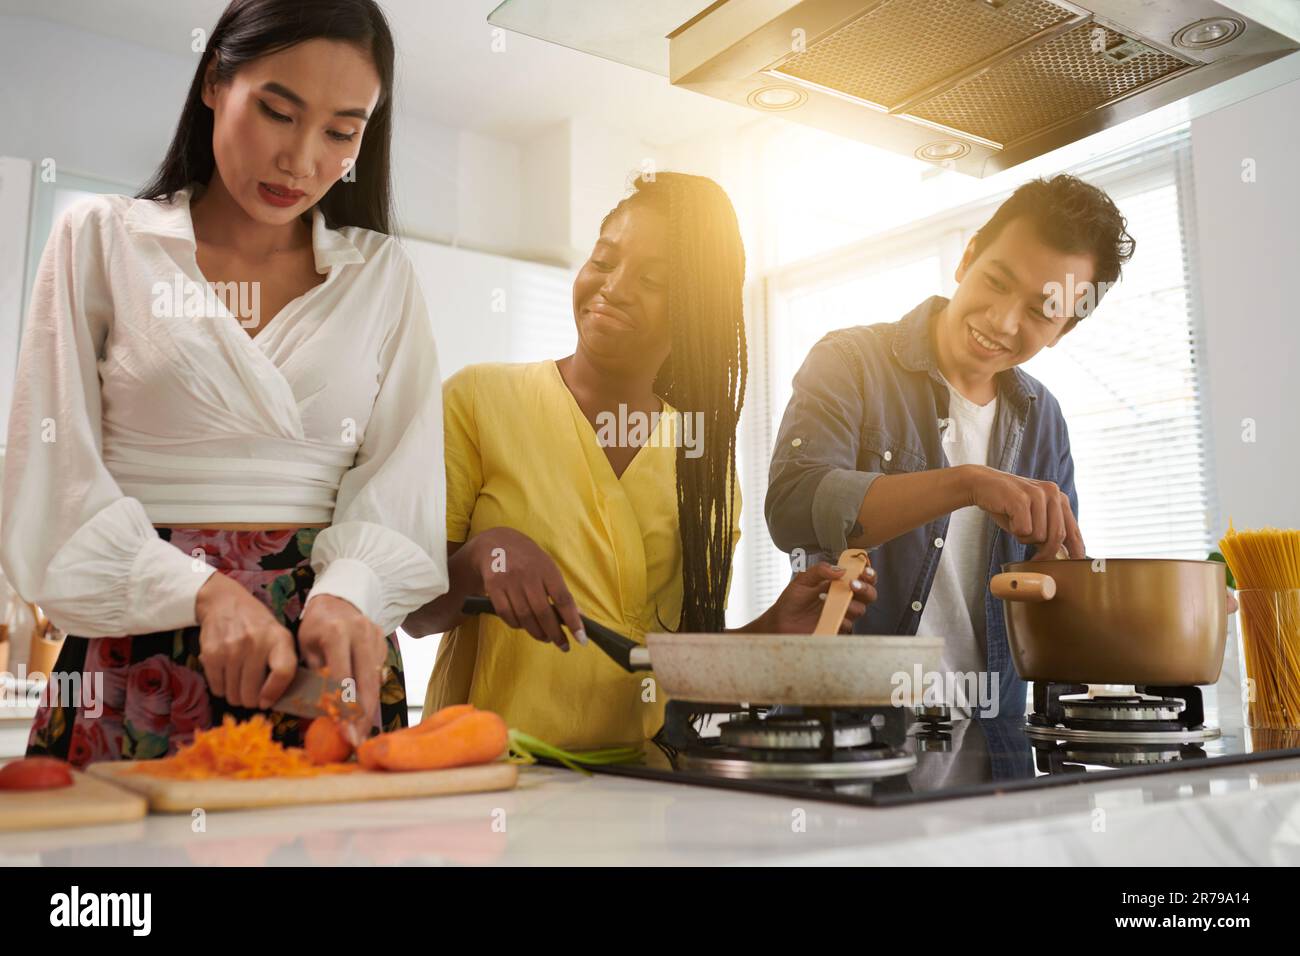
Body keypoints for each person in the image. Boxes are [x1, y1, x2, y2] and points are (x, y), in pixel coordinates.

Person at [1, 0, 447, 766]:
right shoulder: (102, 241)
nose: (303, 160)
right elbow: (52, 480)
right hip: (137, 637)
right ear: (214, 80)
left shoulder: (380, 275)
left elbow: (400, 486)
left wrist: (347, 594)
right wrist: (204, 595)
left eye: (342, 132)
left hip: (325, 660)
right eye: (278, 110)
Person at [405, 172, 877, 749]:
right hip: (485, 781)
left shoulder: (700, 465)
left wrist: (774, 629)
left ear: (695, 313)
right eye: (603, 261)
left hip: (638, 790)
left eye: (652, 279)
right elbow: (417, 614)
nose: (614, 288)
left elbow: (670, 673)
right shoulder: (477, 400)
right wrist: (486, 555)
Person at [765, 175, 1133, 719]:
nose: (1002, 320)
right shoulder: (850, 361)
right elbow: (793, 509)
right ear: (967, 259)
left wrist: (1072, 583)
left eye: (1040, 312)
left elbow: (1050, 593)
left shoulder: (1044, 417)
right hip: (853, 741)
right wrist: (967, 483)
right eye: (997, 281)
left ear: (1063, 331)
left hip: (995, 757)